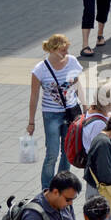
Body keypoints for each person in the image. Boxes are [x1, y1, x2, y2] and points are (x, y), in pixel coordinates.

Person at [28, 35, 85, 190]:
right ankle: (47, 188)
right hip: (51, 114)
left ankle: (62, 184)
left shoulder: (72, 61)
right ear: (53, 50)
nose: (66, 52)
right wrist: (31, 122)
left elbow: (78, 86)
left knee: (67, 152)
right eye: (63, 50)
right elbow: (34, 96)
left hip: (71, 112)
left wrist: (85, 107)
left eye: (67, 49)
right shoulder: (40, 70)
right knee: (52, 154)